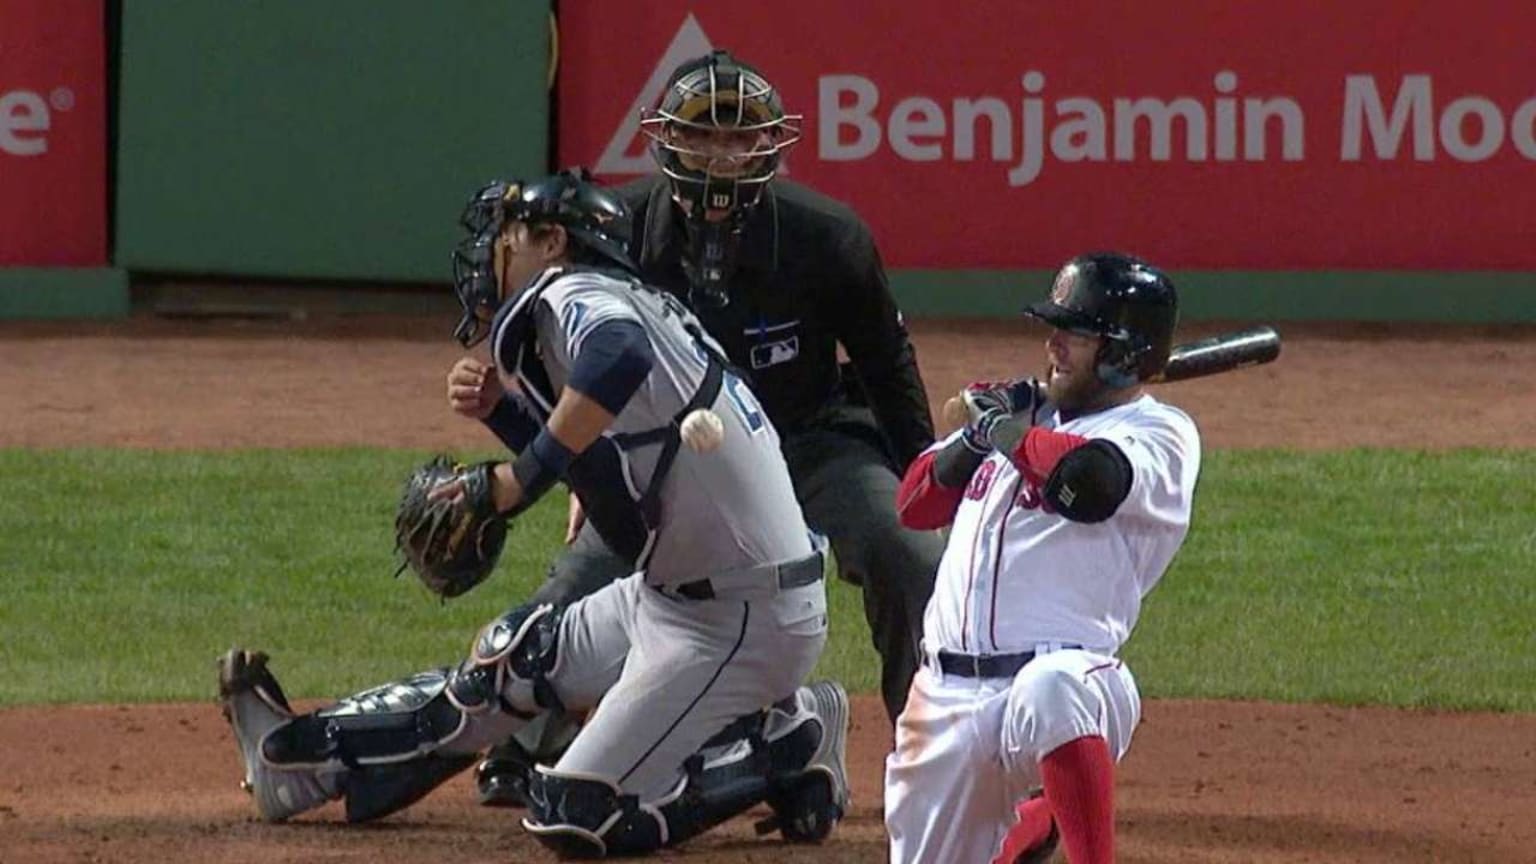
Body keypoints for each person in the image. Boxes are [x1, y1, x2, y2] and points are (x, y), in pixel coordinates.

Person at [216, 170, 851, 857]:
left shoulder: (579, 292)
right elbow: (619, 507)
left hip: (743, 622)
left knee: (579, 813)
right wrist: (506, 418)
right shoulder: (623, 308)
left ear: (552, 242)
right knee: (509, 664)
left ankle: (791, 738)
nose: (492, 251)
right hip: (678, 596)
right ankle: (296, 764)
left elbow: (620, 357)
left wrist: (513, 485)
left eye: (508, 234)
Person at [475, 48, 944, 807]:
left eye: (740, 137)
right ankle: (530, 742)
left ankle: (935, 745)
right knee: (580, 580)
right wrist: (582, 470)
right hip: (669, 463)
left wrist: (925, 476)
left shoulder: (828, 237)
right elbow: (578, 361)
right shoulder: (616, 231)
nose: (721, 155)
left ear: (771, 144)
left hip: (811, 438)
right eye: (703, 136)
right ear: (665, 139)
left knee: (910, 552)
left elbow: (887, 363)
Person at [882, 252, 1200, 864]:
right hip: (944, 699)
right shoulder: (1025, 417)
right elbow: (914, 505)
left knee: (1049, 691)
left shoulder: (1157, 433)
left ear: (1124, 353)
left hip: (1074, 680)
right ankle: (1030, 821)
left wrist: (1006, 433)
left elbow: (1090, 483)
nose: (1053, 343)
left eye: (1075, 333)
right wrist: (975, 440)